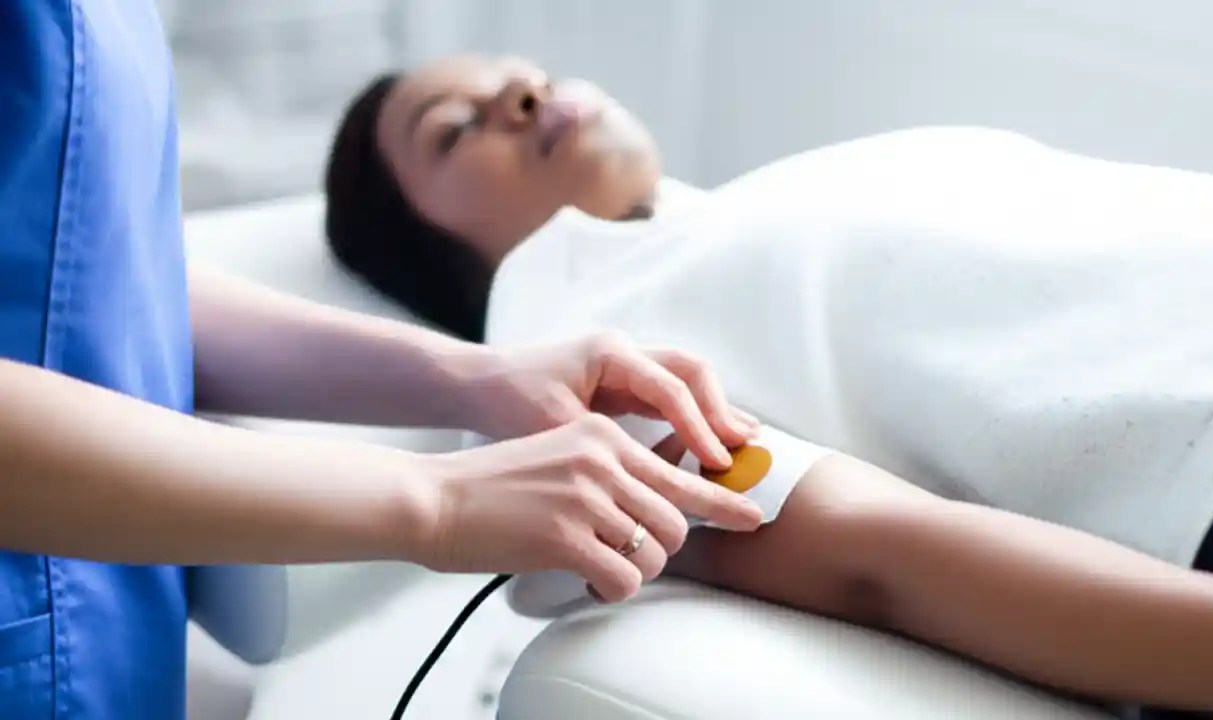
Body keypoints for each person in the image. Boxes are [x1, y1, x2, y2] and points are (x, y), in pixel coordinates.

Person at [324, 53, 1213, 718]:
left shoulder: (752, 215)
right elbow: (878, 557)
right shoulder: (580, 360)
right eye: (453, 131)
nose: (520, 96)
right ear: (431, 259)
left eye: (517, 72)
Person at [0, 6, 768, 719]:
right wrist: (437, 505)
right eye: (453, 129)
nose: (523, 99)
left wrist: (472, 380)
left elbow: (107, 283)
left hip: (111, 652)